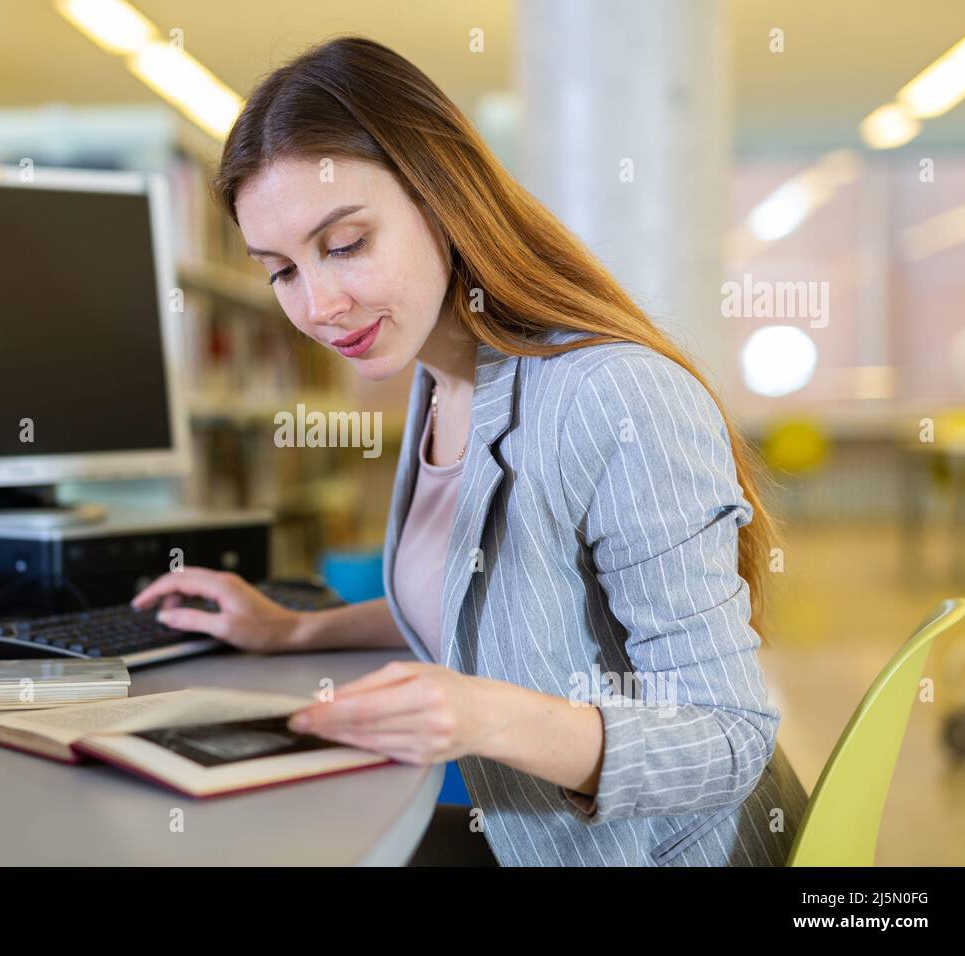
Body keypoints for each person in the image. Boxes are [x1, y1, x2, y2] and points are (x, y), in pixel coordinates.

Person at [132, 36, 808, 866]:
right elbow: (496, 605)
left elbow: (730, 737)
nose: (319, 304)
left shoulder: (612, 395)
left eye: (345, 245)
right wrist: (292, 634)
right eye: (280, 271)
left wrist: (485, 715)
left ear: (442, 198)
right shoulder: (443, 378)